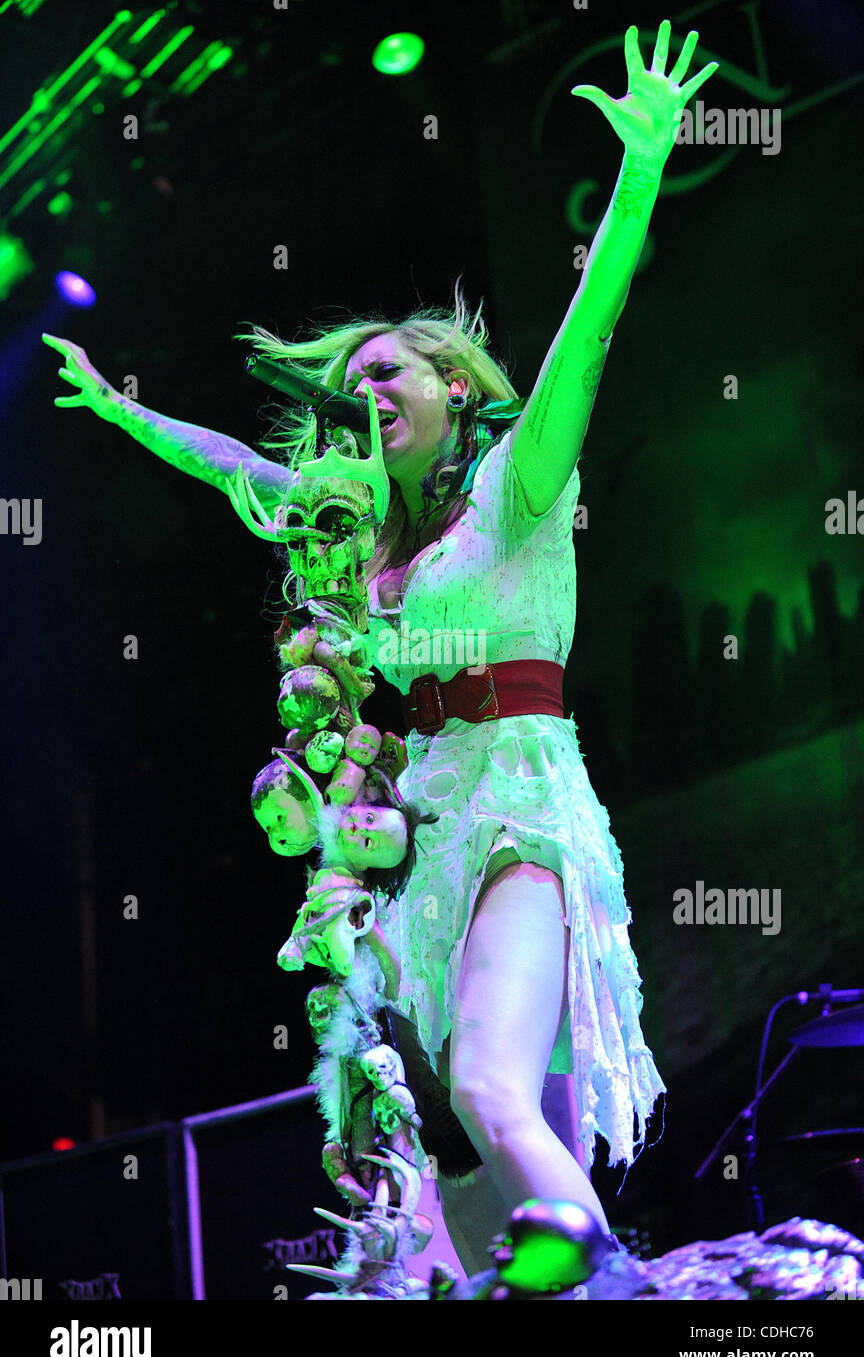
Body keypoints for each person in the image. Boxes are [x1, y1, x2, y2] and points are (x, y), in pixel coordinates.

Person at [45, 21, 717, 1278]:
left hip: (518, 800)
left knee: (490, 1090)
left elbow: (587, 333)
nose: (366, 393)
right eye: (350, 384)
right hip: (422, 831)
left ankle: (604, 1272)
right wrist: (125, 411)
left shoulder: (519, 487)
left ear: (456, 386)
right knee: (428, 1147)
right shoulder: (359, 549)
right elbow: (247, 472)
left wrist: (637, 172)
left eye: (388, 370)